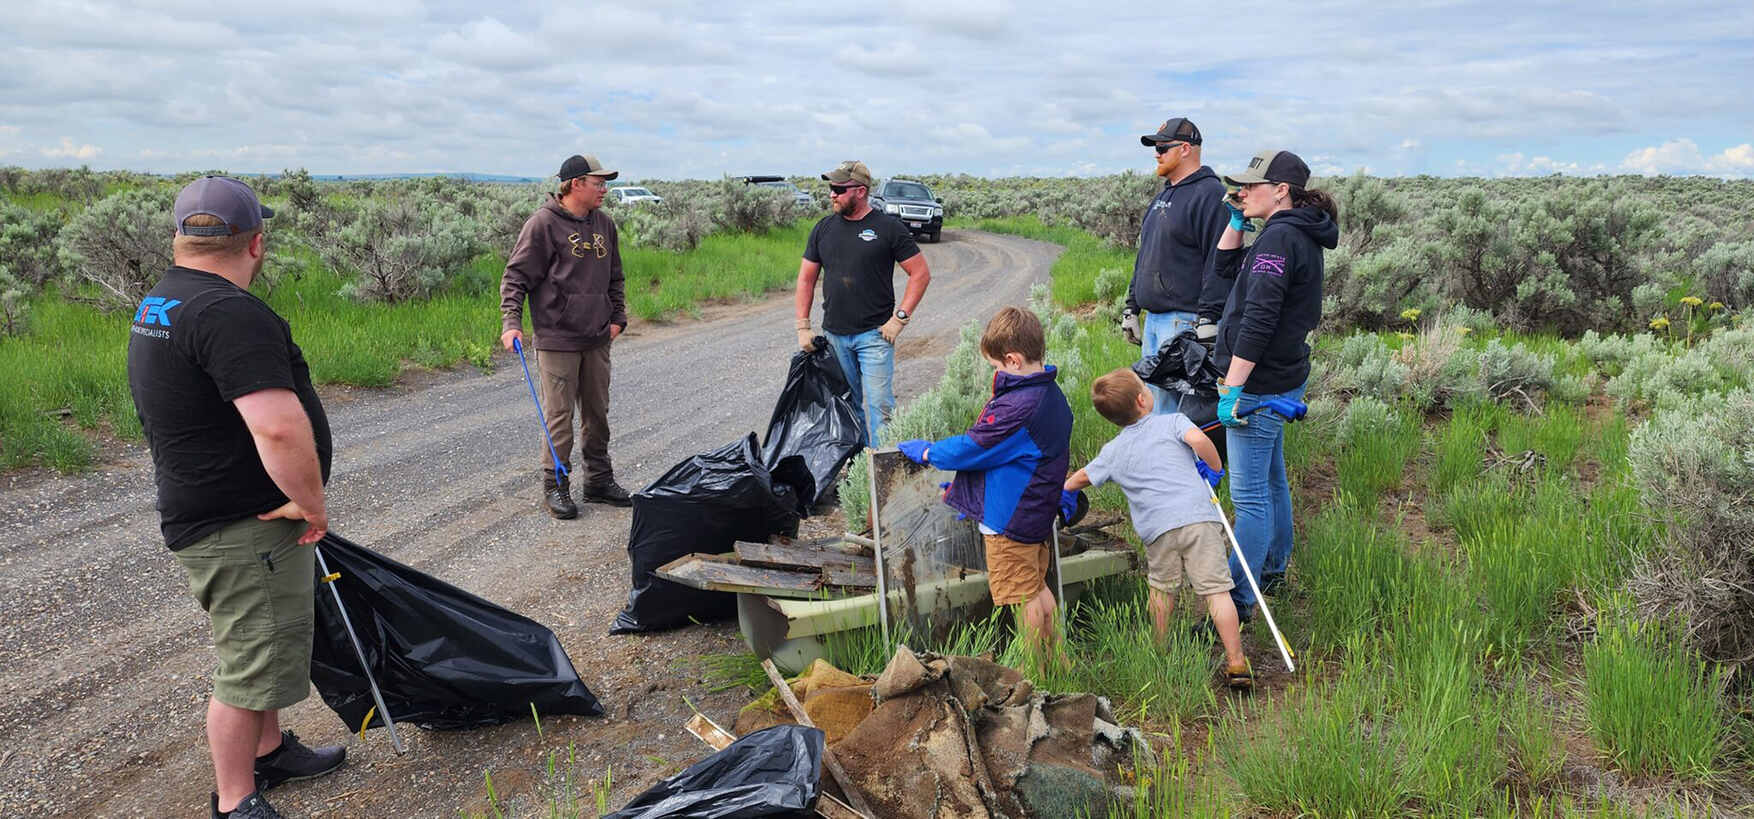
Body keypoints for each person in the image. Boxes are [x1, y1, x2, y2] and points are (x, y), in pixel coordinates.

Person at [126, 176, 345, 819]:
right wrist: (311, 502)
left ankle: (270, 752)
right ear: (256, 245)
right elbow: (276, 425)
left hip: (207, 504)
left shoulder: (164, 301)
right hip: (239, 521)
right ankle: (235, 798)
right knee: (249, 665)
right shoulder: (229, 313)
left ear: (179, 238)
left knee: (268, 639)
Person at [892, 307, 1072, 655]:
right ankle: (1058, 660)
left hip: (1009, 523)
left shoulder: (1018, 407)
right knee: (1038, 589)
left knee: (1024, 599)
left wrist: (930, 453)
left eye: (996, 367)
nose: (995, 373)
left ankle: (1036, 668)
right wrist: (967, 494)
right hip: (1035, 511)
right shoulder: (1052, 395)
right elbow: (1013, 458)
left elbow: (975, 447)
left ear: (1013, 360)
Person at [1063, 368, 1251, 689]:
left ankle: (1159, 648)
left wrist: (1062, 489)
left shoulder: (1112, 452)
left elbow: (1080, 478)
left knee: (1162, 588)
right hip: (1198, 519)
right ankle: (1236, 662)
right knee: (1216, 591)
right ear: (1142, 399)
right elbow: (1197, 439)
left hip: (1158, 531)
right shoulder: (1173, 422)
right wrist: (1215, 464)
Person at [1211, 150, 1339, 621]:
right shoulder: (1291, 233)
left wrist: (1231, 390)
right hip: (1282, 376)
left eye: (1250, 186)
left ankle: (1240, 600)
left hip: (1259, 385)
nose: (1241, 192)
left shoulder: (1279, 242)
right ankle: (1274, 568)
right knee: (1272, 479)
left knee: (1249, 500)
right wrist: (1235, 220)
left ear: (1281, 190)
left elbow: (1259, 320)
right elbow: (1224, 271)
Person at [501, 154, 632, 519]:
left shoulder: (604, 224)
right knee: (559, 416)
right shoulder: (543, 224)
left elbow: (615, 277)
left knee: (597, 414)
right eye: (599, 182)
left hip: (597, 337)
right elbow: (515, 277)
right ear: (576, 184)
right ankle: (556, 485)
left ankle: (599, 482)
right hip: (557, 338)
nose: (605, 189)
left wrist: (617, 318)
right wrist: (511, 322)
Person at [793, 160, 931, 448]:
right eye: (831, 188)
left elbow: (920, 274)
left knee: (881, 409)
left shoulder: (888, 228)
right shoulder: (823, 229)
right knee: (847, 407)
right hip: (834, 336)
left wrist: (900, 319)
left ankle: (881, 475)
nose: (832, 194)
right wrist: (802, 326)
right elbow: (806, 280)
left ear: (860, 191)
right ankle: (858, 471)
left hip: (875, 336)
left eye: (838, 189)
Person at [1122, 117, 1232, 414]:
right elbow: (1147, 255)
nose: (1156, 154)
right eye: (1155, 148)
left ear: (1185, 148)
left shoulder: (1210, 195)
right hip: (1155, 322)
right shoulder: (1163, 196)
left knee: (1175, 416)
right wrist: (1132, 307)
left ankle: (1183, 463)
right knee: (1155, 409)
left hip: (1184, 322)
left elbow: (1219, 261)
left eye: (1162, 148)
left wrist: (1208, 319)